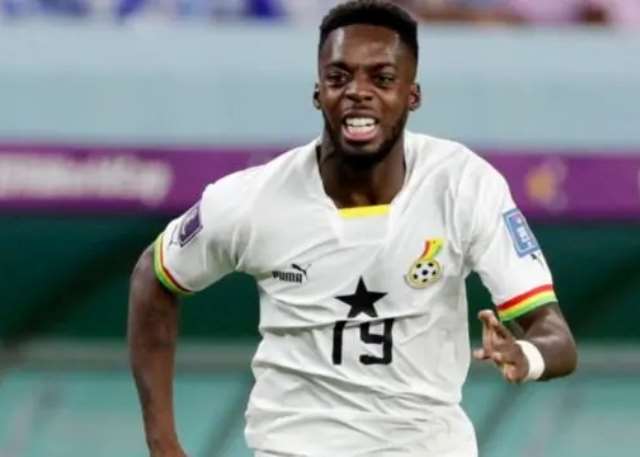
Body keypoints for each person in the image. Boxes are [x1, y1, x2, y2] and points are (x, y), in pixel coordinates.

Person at [128, 1, 578, 456]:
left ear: (412, 95)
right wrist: (163, 444)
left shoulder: (464, 185)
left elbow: (555, 336)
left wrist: (527, 356)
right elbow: (154, 275)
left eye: (382, 78)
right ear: (317, 92)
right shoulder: (253, 199)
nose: (358, 92)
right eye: (339, 77)